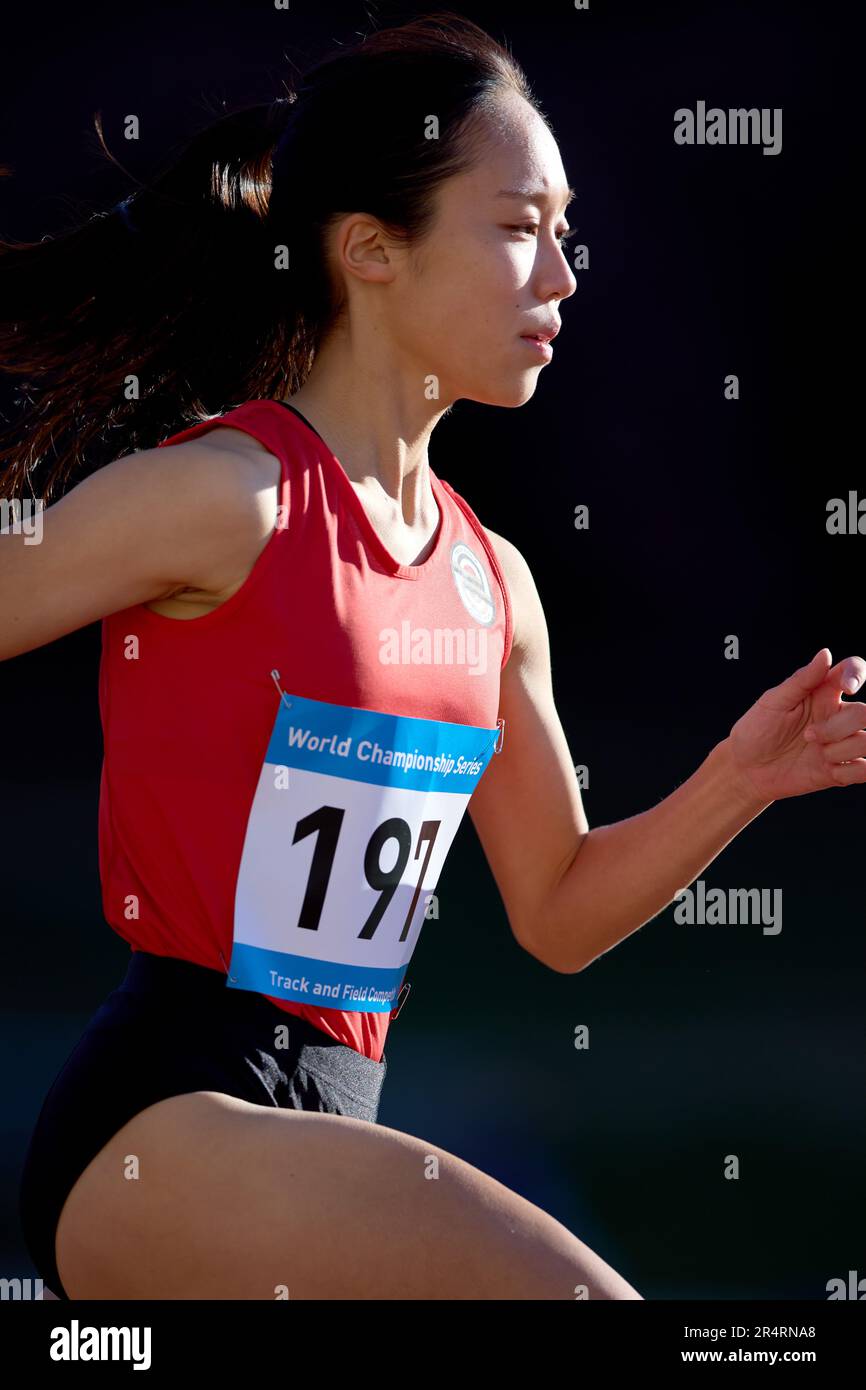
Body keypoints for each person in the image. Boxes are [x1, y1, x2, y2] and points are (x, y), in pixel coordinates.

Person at [1, 12, 862, 1303]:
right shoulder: (230, 497)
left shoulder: (491, 586)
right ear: (369, 251)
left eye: (563, 230)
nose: (563, 273)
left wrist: (739, 774)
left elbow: (559, 908)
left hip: (330, 1128)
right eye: (517, 227)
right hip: (162, 1125)